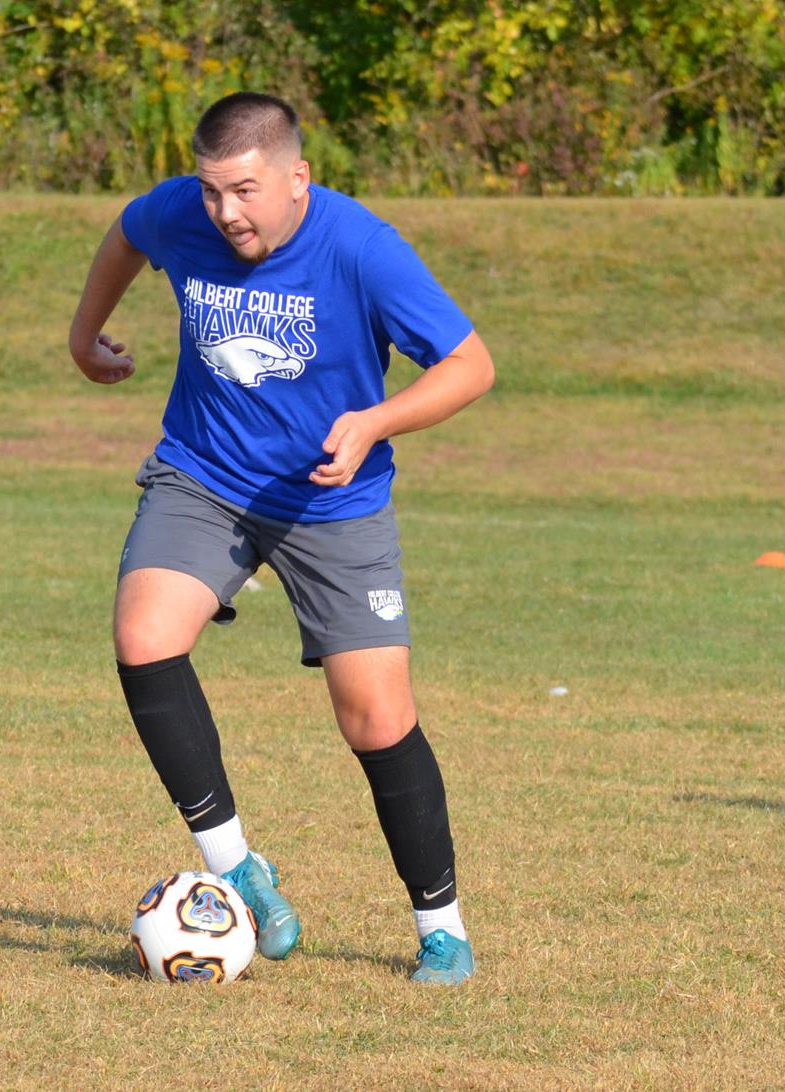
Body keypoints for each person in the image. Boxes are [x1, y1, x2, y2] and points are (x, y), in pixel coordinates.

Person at [67, 91, 495, 984]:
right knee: (144, 637)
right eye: (213, 190)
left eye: (246, 191)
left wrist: (377, 421)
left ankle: (441, 929)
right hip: (206, 476)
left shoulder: (362, 249)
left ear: (297, 178)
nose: (226, 213)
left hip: (332, 503)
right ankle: (238, 871)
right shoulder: (183, 215)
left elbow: (471, 365)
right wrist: (82, 334)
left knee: (376, 718)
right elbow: (129, 231)